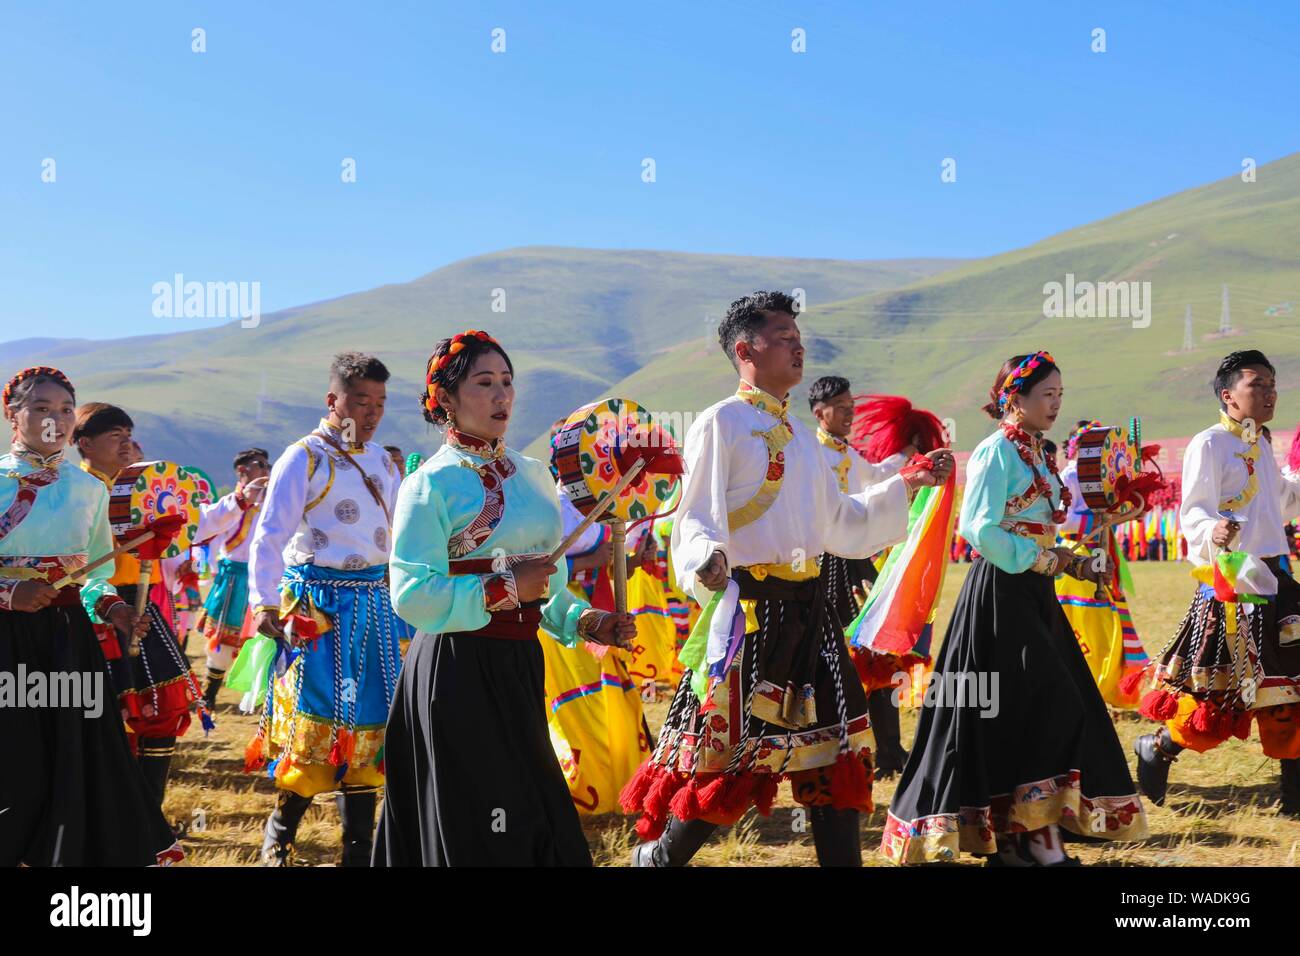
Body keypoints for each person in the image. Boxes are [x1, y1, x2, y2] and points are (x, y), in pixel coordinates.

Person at [623, 291, 951, 867]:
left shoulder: (801, 436)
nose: (799, 346)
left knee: (834, 752)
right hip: (750, 615)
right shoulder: (720, 423)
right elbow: (693, 515)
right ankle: (659, 859)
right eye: (783, 337)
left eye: (799, 337)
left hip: (814, 612)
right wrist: (706, 558)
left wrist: (907, 483)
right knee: (729, 756)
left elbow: (842, 522)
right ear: (746, 350)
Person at [373, 330, 635, 865]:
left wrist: (587, 622)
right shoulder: (430, 484)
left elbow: (549, 584)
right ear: (446, 399)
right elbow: (411, 593)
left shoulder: (534, 476)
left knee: (532, 812)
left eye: (508, 383)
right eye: (484, 383)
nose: (501, 396)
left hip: (518, 665)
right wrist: (505, 587)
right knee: (480, 820)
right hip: (455, 668)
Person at [882, 352, 1147, 866]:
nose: (1055, 405)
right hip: (999, 598)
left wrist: (1071, 561)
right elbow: (978, 528)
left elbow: (1039, 527)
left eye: (1060, 396)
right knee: (1051, 704)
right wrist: (1044, 558)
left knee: (1020, 714)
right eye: (1047, 395)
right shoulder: (994, 451)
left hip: (1035, 596)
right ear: (1014, 398)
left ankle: (1019, 840)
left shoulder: (1042, 454)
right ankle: (1039, 842)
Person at [0, 367, 182, 865]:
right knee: (14, 759)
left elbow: (94, 572)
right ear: (11, 413)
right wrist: (10, 593)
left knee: (69, 758)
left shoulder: (88, 491)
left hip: (67, 645)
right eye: (40, 408)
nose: (54, 420)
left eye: (64, 410)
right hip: (5, 642)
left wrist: (116, 609)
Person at [246, 352, 403, 866]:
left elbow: (399, 537)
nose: (373, 411)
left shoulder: (382, 460)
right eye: (362, 400)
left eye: (380, 402)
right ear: (332, 400)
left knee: (371, 720)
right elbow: (269, 534)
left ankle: (357, 850)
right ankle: (280, 835)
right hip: (319, 606)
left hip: (376, 605)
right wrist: (265, 602)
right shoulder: (304, 457)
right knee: (317, 720)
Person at [1135, 351, 1300, 816]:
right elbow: (1193, 510)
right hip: (1233, 581)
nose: (1269, 393)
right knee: (1219, 695)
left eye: (1272, 383)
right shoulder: (1207, 444)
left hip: (1277, 577)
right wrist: (1212, 530)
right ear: (1228, 395)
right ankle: (1160, 746)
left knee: (1289, 686)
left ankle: (1294, 798)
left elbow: (1282, 501)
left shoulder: (1261, 443)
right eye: (1257, 384)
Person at [74, 402, 210, 803]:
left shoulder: (133, 490)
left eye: (128, 436)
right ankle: (115, 814)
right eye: (115, 436)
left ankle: (148, 813)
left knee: (160, 712)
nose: (126, 444)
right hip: (96, 608)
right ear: (84, 444)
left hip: (138, 608)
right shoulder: (78, 493)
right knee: (110, 717)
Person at [808, 375, 912, 776]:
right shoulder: (811, 455)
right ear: (820, 413)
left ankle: (889, 749)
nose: (851, 411)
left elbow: (875, 480)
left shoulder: (847, 452)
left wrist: (907, 458)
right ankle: (839, 748)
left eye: (852, 404)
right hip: (825, 562)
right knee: (838, 656)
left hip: (857, 560)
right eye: (842, 406)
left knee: (880, 650)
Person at [1055, 420, 1149, 708]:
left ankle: (1107, 688)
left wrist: (1130, 509)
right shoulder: (1069, 475)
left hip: (1103, 551)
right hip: (1076, 554)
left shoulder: (1104, 476)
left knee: (1108, 621)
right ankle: (1086, 687)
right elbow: (1060, 520)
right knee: (1089, 623)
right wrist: (1097, 521)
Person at [192, 447, 270, 709]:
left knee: (264, 636)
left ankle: (259, 697)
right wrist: (201, 570)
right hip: (234, 578)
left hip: (265, 577)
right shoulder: (229, 506)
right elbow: (206, 539)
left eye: (267, 465)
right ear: (242, 470)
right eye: (260, 464)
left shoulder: (271, 505)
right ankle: (210, 693)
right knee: (223, 638)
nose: (266, 470)